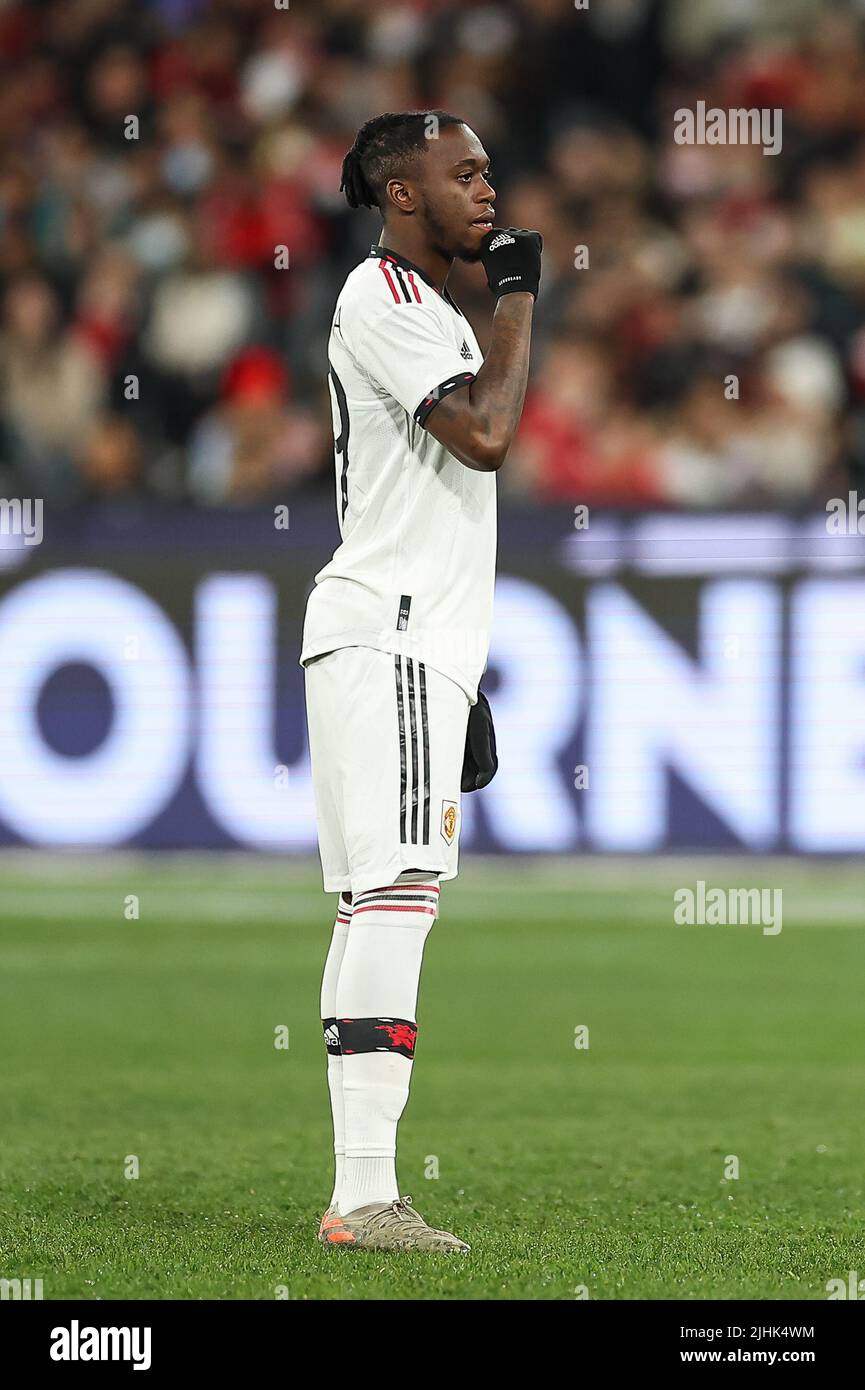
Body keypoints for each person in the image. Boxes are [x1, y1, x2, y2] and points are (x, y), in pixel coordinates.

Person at [299, 110, 542, 1251]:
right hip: (390, 638)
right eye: (464, 174)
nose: (487, 191)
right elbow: (489, 435)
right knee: (397, 898)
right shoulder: (389, 300)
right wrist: (520, 295)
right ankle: (364, 1195)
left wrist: (463, 670)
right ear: (403, 196)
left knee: (372, 905)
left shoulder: (412, 311)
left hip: (402, 640)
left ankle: (358, 1191)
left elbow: (435, 494)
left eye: (491, 172)